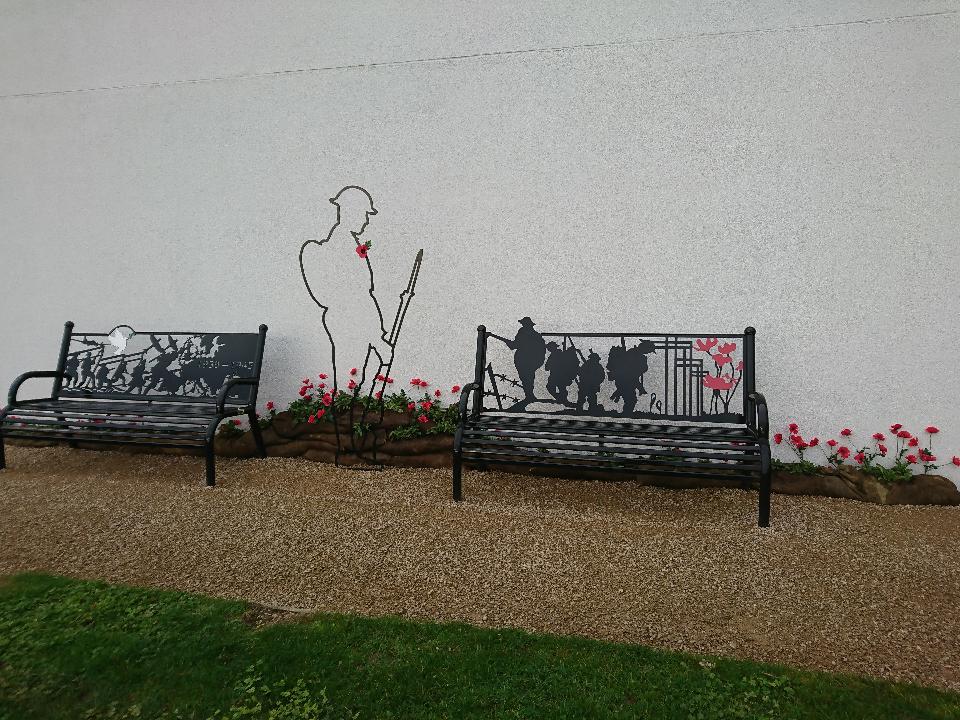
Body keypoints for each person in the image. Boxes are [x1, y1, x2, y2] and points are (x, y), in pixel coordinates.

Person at [300, 186, 393, 394]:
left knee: (355, 381)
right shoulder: (338, 247)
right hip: (347, 322)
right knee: (349, 379)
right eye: (364, 214)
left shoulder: (352, 243)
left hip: (359, 322)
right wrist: (376, 339)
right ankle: (345, 415)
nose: (367, 221)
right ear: (350, 211)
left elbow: (363, 297)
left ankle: (349, 414)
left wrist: (377, 339)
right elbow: (353, 299)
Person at [545, 340, 579, 405]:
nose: (548, 349)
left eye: (549, 348)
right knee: (558, 387)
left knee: (559, 387)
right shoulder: (555, 355)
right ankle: (561, 399)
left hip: (559, 375)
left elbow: (548, 367)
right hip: (556, 375)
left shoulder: (558, 355)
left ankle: (562, 400)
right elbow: (546, 367)